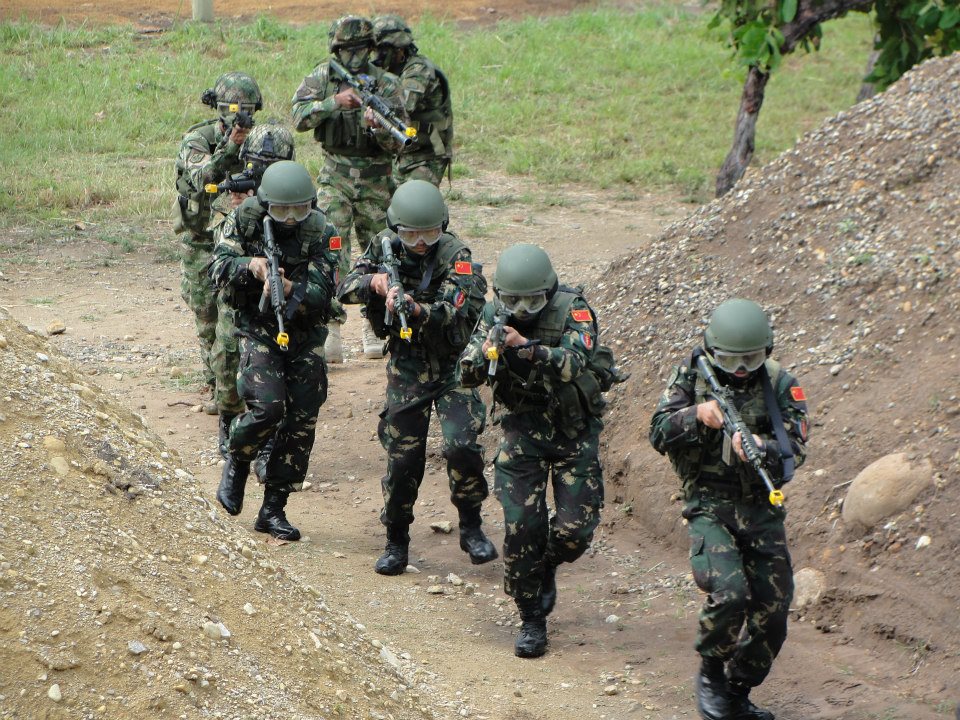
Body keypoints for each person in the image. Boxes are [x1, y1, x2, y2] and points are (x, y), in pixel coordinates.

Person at [458, 244, 622, 658]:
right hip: (523, 430)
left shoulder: (574, 308)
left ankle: (547, 562)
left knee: (574, 532)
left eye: (533, 300)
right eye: (514, 301)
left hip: (572, 430)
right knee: (522, 529)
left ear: (548, 290)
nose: (523, 308)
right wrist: (485, 353)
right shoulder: (495, 315)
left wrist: (526, 346)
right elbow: (467, 369)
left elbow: (574, 362)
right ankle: (531, 616)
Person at [648, 298, 809, 720]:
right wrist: (698, 414)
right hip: (709, 503)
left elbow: (796, 448)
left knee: (775, 609)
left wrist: (763, 448)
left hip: (760, 507)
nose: (740, 369)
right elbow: (658, 431)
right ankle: (711, 672)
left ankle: (737, 690)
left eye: (750, 359)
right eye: (730, 360)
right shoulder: (691, 375)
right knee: (729, 592)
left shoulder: (779, 386)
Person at [337, 179, 496, 575]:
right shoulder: (383, 247)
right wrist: (375, 284)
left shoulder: (457, 254)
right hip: (407, 367)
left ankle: (472, 525)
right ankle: (396, 539)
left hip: (453, 367)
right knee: (403, 456)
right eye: (411, 234)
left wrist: (418, 309)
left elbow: (461, 307)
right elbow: (345, 287)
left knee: (462, 447)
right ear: (397, 229)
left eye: (429, 233)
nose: (421, 242)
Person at [209, 161, 340, 541]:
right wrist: (252, 268)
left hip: (305, 334)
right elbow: (217, 267)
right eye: (280, 210)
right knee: (267, 407)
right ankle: (237, 458)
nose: (289, 219)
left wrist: (290, 288)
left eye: (298, 210)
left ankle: (273, 508)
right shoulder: (245, 220)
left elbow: (326, 289)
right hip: (259, 329)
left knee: (302, 421)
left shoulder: (322, 230)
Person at [291, 15, 408, 361]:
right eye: (347, 50)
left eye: (360, 49)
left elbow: (400, 142)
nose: (354, 56)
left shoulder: (386, 85)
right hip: (335, 175)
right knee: (331, 249)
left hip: (376, 177)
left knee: (383, 250)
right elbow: (298, 117)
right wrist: (333, 103)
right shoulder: (323, 77)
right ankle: (331, 327)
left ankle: (374, 325)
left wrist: (377, 128)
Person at [207, 120, 296, 467]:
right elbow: (221, 253)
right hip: (240, 292)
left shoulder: (293, 193)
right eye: (257, 164)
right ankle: (230, 423)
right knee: (228, 360)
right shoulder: (240, 197)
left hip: (281, 293)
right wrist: (241, 206)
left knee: (281, 372)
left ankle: (270, 440)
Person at [174, 72, 262, 414]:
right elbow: (203, 176)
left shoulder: (261, 140)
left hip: (240, 241)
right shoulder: (198, 138)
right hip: (201, 241)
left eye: (246, 109)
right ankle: (218, 385)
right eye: (230, 108)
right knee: (207, 314)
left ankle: (238, 387)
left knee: (239, 314)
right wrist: (231, 146)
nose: (237, 116)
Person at [371, 15, 454, 186]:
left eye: (382, 49)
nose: (377, 55)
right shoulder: (390, 70)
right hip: (402, 153)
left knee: (414, 207)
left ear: (399, 49)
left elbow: (403, 103)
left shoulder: (419, 70)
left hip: (427, 155)